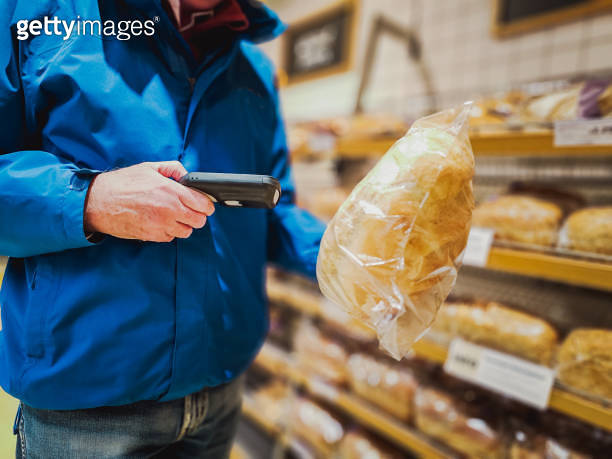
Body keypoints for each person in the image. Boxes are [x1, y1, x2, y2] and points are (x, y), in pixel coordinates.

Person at [0, 0, 325, 457]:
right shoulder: (40, 14)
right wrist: (90, 200)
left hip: (219, 396)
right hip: (87, 409)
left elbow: (271, 215)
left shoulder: (250, 66)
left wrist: (341, 252)